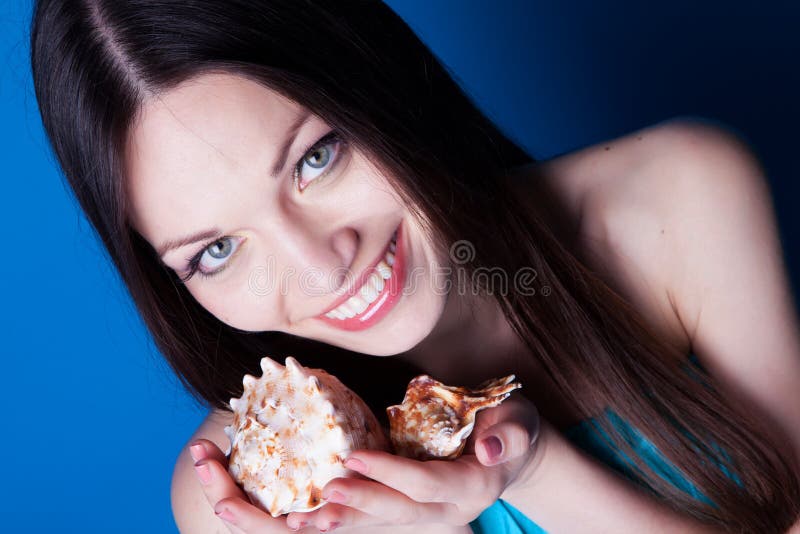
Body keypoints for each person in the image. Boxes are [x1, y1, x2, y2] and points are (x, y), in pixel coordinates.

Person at [29, 1, 800, 533]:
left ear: (374, 84)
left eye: (315, 159)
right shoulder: (248, 498)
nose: (319, 269)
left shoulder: (676, 200)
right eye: (216, 252)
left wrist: (530, 473)